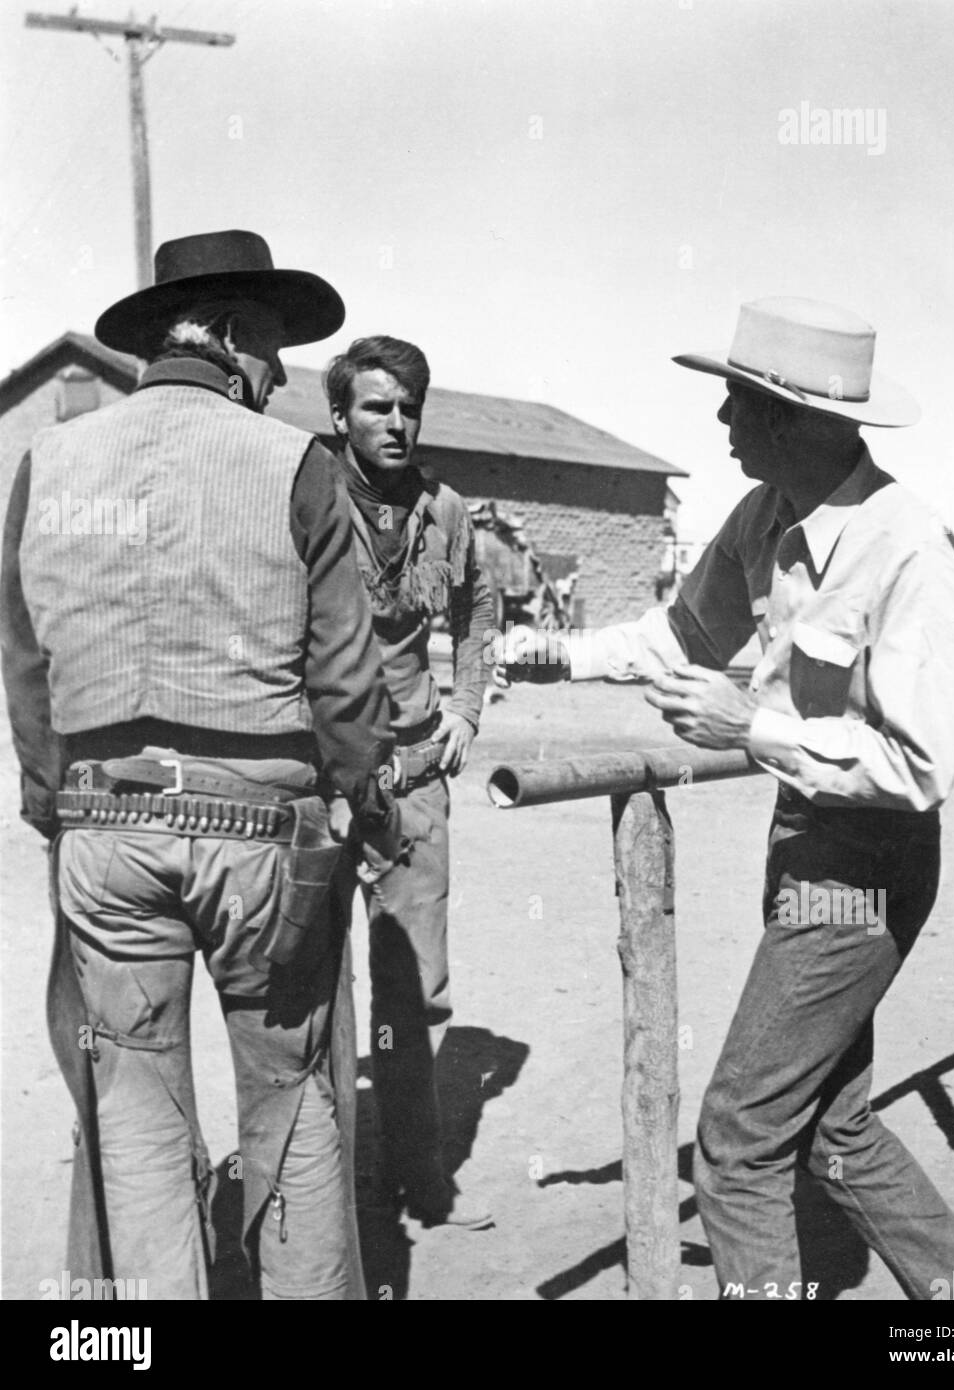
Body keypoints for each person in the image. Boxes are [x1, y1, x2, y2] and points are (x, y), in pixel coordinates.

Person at [500, 297, 954, 1299]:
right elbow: (683, 637)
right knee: (832, 1123)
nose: (723, 424)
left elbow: (917, 768)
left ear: (799, 419)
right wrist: (556, 653)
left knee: (736, 1138)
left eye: (738, 403)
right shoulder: (765, 514)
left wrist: (752, 727)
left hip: (867, 864)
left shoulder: (911, 548)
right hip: (806, 842)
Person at [0, 229, 405, 1300]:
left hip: (101, 830)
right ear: (228, 336)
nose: (281, 377)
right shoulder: (295, 466)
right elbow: (345, 682)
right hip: (260, 838)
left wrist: (59, 810)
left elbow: (27, 665)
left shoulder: (50, 463)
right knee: (291, 1095)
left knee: (134, 1110)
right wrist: (364, 804)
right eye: (274, 348)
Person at [325, 336, 495, 1229]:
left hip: (417, 773)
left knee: (415, 989)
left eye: (407, 407)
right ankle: (323, 1196)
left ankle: (419, 1179)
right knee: (310, 985)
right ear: (340, 415)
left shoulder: (445, 508)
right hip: (321, 775)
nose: (395, 422)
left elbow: (478, 608)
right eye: (376, 407)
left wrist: (466, 708)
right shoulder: (308, 494)